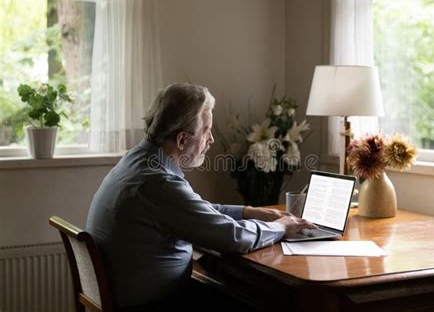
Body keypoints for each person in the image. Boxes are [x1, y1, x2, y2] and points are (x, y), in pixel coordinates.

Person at [86, 83, 316, 311]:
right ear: (182, 140)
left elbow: (193, 210)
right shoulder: (159, 183)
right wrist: (281, 227)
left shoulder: (137, 159)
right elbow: (232, 237)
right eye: (206, 131)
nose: (211, 140)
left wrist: (247, 211)